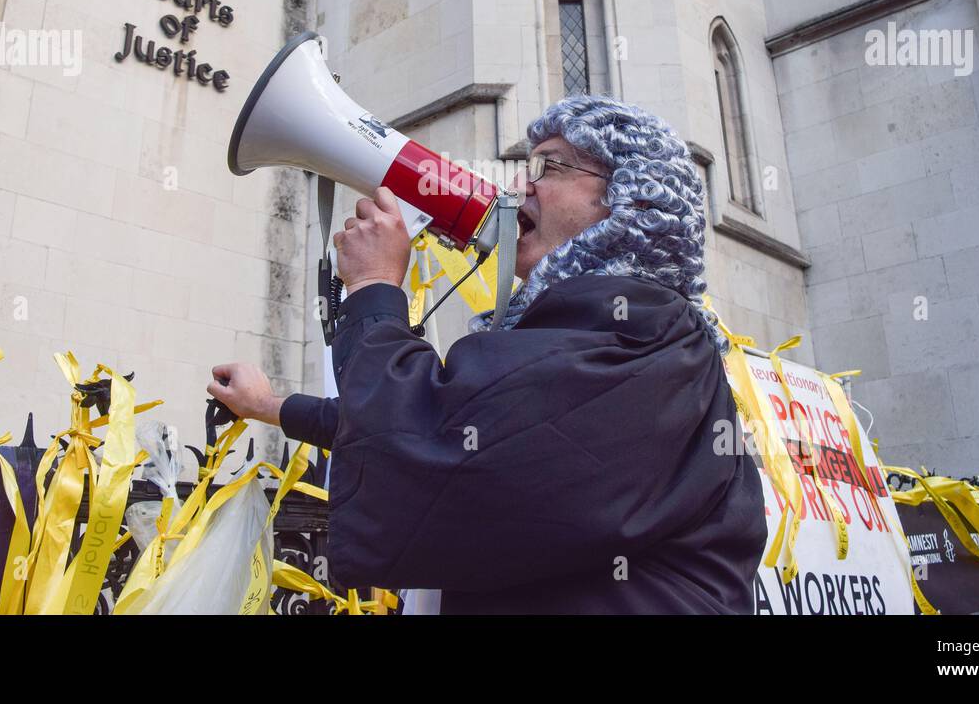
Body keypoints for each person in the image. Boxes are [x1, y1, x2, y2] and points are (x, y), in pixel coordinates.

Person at [208, 94, 767, 613]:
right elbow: (450, 426)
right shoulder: (629, 333)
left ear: (629, 200)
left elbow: (436, 436)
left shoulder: (638, 338)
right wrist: (272, 406)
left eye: (550, 166)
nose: (522, 184)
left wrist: (376, 287)